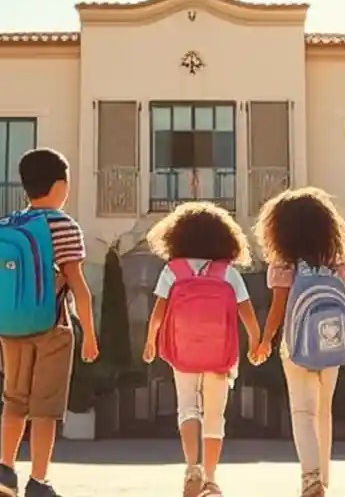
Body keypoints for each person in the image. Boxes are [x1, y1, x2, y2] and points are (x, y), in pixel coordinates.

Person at [0, 148, 99, 497]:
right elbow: (78, 286)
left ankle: (5, 471)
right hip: (52, 327)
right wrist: (90, 334)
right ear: (61, 186)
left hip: (10, 328)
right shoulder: (65, 226)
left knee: (13, 400)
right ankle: (39, 480)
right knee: (45, 408)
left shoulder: (8, 227)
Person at [142, 201, 261, 497]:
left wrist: (150, 342)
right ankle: (210, 478)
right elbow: (248, 315)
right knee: (214, 416)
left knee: (187, 407)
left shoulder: (174, 269)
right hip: (220, 355)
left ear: (177, 235)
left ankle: (191, 466)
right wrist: (257, 343)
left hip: (182, 352)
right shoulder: (228, 273)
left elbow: (158, 311)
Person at [250, 187, 345, 497]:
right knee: (324, 410)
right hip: (331, 342)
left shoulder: (285, 264)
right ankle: (323, 476)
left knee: (303, 411)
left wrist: (263, 341)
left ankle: (310, 478)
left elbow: (278, 308)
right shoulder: (335, 261)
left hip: (296, 344)